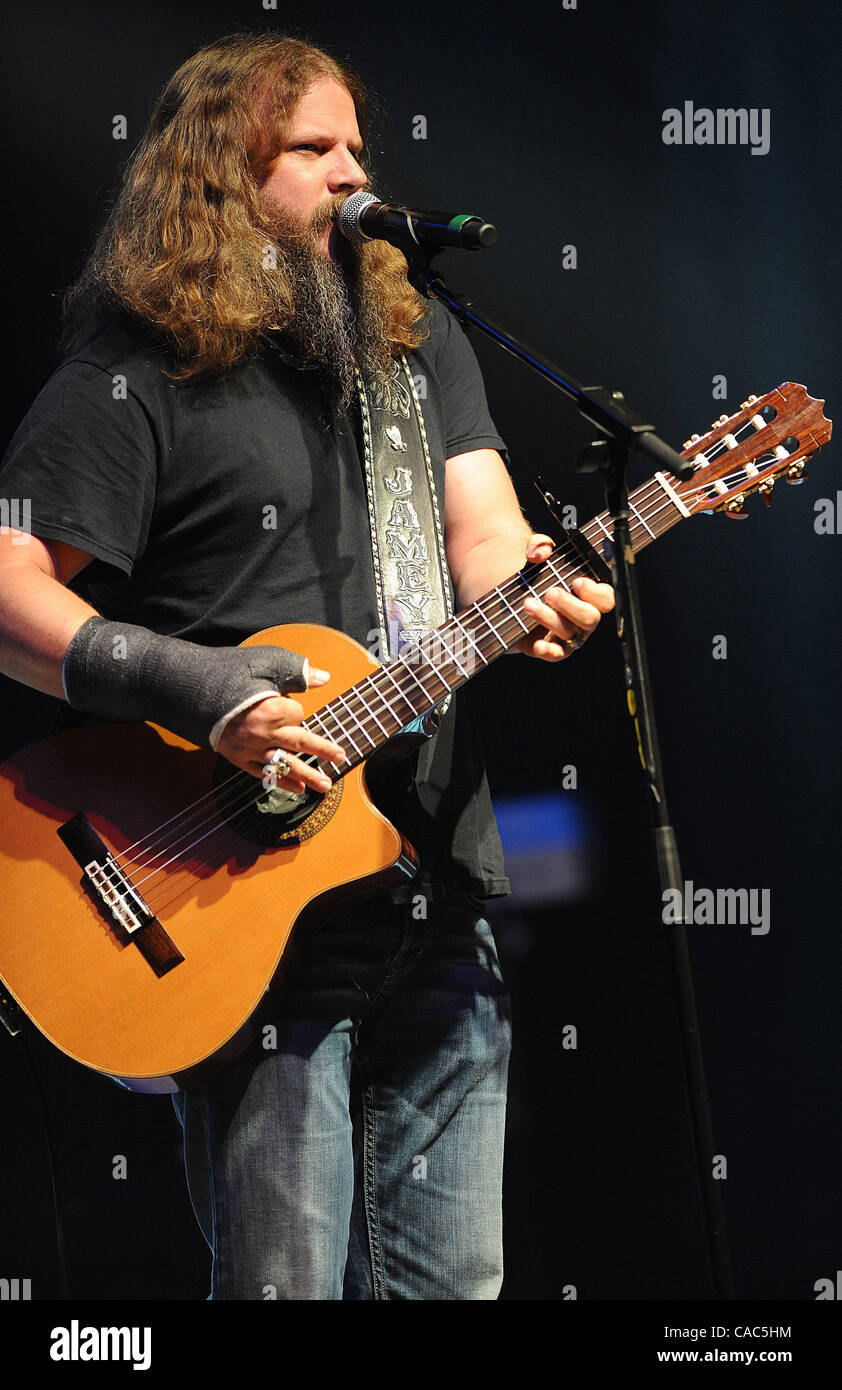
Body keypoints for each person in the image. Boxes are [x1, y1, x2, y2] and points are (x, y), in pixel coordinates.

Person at [0, 32, 614, 1299]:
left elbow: (485, 538)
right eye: (311, 149)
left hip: (428, 871)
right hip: (232, 886)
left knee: (458, 1287)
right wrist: (208, 692)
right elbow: (10, 592)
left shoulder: (413, 343)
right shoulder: (134, 373)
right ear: (221, 174)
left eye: (356, 147)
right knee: (285, 1287)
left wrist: (536, 594)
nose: (351, 172)